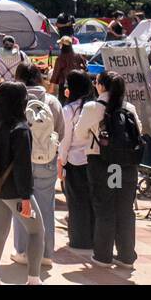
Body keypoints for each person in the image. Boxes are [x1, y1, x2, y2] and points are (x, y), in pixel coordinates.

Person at [73, 71, 141, 270]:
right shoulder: (129, 107)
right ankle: (127, 255)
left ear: (101, 86)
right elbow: (139, 129)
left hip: (102, 162)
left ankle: (103, 255)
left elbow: (79, 134)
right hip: (127, 165)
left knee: (104, 207)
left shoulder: (92, 107)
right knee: (125, 208)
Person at [0, 81, 43, 285]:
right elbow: (23, 167)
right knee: (36, 231)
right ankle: (33, 279)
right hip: (15, 191)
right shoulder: (21, 128)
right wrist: (26, 197)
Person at [11, 62, 63, 269]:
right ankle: (46, 253)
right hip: (47, 160)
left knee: (21, 205)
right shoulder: (52, 101)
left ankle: (23, 251)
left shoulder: (16, 99)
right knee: (46, 207)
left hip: (21, 160)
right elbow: (61, 131)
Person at [57, 70, 96, 255]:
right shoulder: (93, 107)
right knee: (91, 200)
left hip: (74, 161)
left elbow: (65, 140)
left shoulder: (69, 110)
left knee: (76, 202)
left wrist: (61, 162)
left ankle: (80, 240)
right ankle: (94, 237)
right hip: (93, 160)